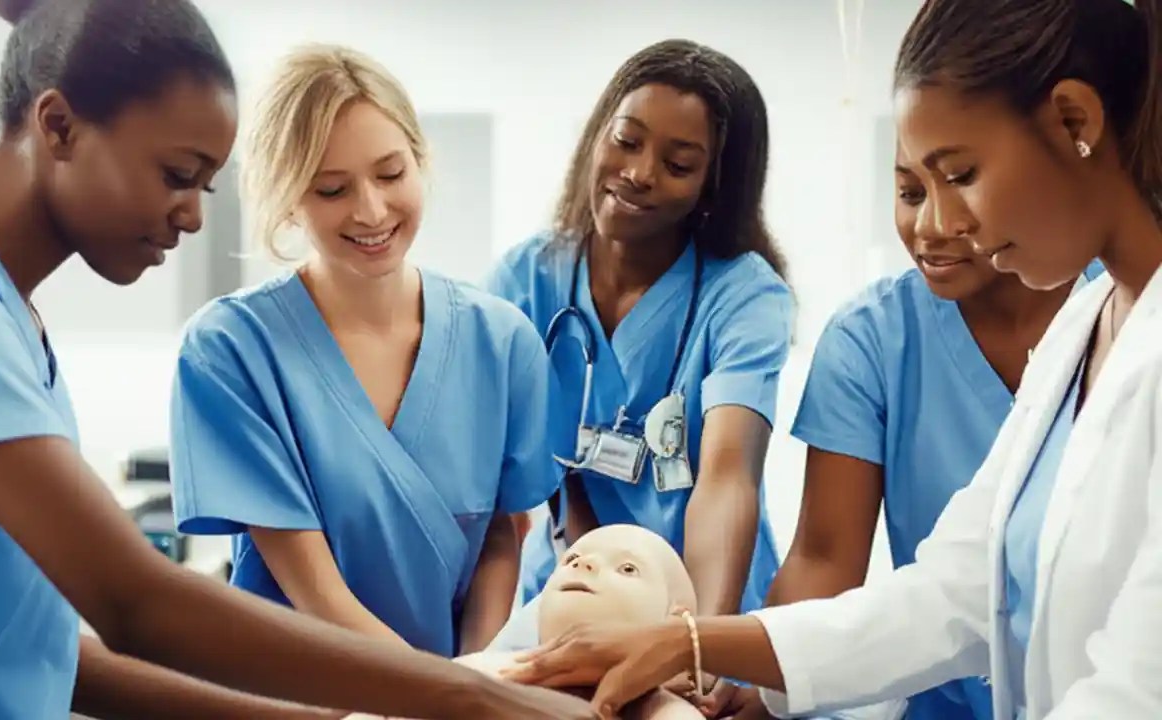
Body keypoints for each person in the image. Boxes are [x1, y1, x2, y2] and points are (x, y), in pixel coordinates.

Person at [0, 2, 595, 719]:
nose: (193, 217)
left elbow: (43, 652)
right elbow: (134, 604)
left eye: (204, 185)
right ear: (60, 126)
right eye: (176, 174)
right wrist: (472, 699)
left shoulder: (7, 316)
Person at [502, 0, 1162, 718]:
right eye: (912, 189)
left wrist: (694, 633)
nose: (941, 225)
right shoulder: (1081, 331)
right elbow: (952, 596)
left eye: (962, 173)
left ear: (1075, 122)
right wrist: (688, 643)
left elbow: (1139, 687)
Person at [168, 43, 561, 659]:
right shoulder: (231, 350)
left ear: (420, 160)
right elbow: (315, 592)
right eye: (331, 189)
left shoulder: (502, 342)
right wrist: (449, 696)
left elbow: (500, 537)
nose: (371, 210)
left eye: (391, 174)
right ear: (288, 196)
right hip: (296, 689)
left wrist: (480, 676)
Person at [723, 122, 1108, 720]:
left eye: (962, 183)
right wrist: (758, 684)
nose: (928, 226)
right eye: (909, 192)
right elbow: (830, 562)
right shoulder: (874, 338)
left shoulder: (1116, 317)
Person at [484, 40, 793, 687]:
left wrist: (699, 646)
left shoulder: (743, 296)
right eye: (626, 140)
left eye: (678, 164)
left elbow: (727, 479)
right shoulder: (528, 277)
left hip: (705, 602)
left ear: (714, 185)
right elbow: (511, 478)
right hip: (572, 596)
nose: (639, 173)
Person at [350, 524, 706, 720]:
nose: (584, 565)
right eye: (572, 559)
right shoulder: (486, 670)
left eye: (627, 569)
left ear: (676, 621)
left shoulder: (659, 711)